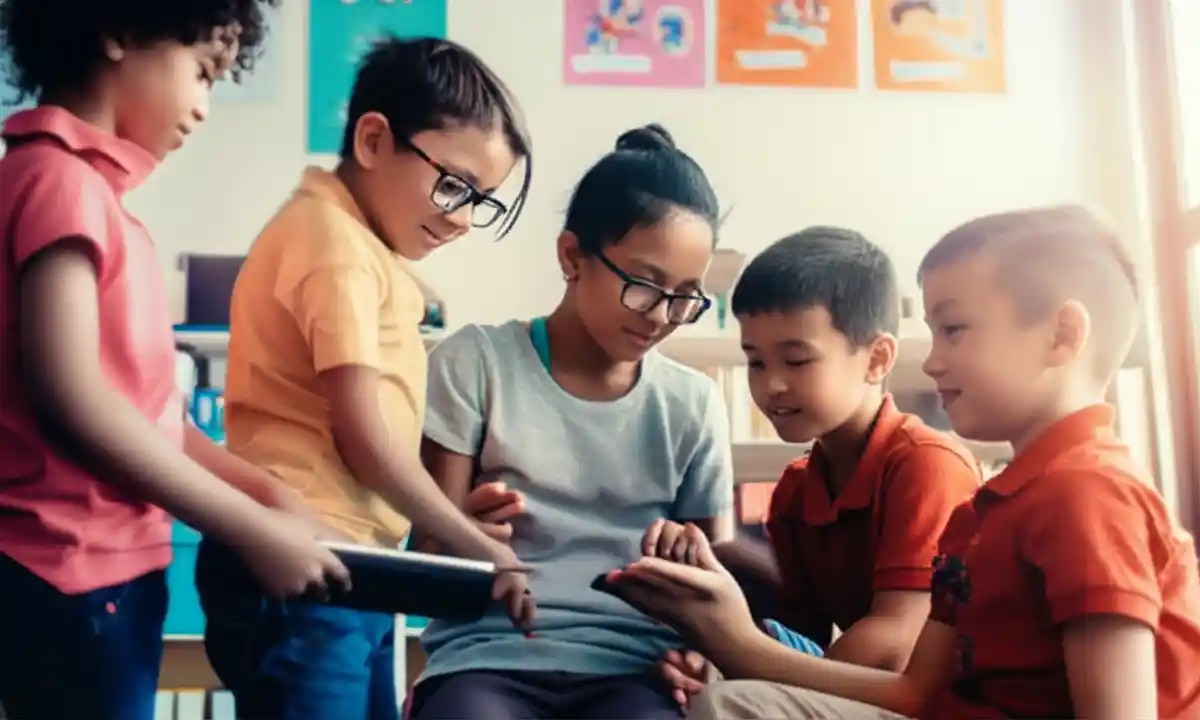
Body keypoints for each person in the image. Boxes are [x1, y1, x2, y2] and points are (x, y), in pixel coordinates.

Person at [603, 205, 1200, 720]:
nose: (931, 362)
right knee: (729, 704)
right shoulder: (990, 510)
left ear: (1062, 335)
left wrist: (734, 644)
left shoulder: (1086, 493)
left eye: (954, 330)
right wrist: (724, 641)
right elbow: (915, 694)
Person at [0, 2, 351, 719]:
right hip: (65, 573)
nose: (203, 109)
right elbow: (72, 401)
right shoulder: (57, 184)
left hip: (106, 578)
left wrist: (266, 497)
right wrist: (247, 528)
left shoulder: (92, 198)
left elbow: (152, 418)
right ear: (118, 30)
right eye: (202, 73)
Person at [194, 37, 533, 720]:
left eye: (484, 202)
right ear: (374, 140)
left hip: (351, 563)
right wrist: (471, 546)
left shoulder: (354, 243)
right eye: (455, 186)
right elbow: (361, 436)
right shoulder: (334, 248)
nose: (464, 219)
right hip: (303, 562)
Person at [406, 123, 735, 720]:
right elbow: (427, 561)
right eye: (644, 285)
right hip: (486, 659)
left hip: (634, 671)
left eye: (686, 296)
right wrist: (463, 536)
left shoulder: (691, 403)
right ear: (571, 257)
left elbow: (716, 587)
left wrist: (695, 643)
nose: (662, 316)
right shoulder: (475, 364)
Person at [653, 227, 980, 710]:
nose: (773, 385)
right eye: (756, 363)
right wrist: (717, 661)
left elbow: (895, 643)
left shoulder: (927, 464)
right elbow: (800, 642)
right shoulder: (796, 488)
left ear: (877, 358)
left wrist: (746, 662)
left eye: (797, 360)